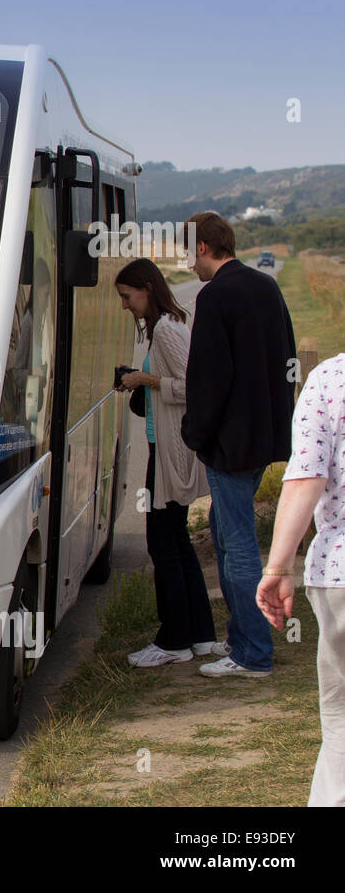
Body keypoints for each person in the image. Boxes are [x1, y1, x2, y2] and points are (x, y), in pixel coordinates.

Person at [180, 212, 297, 678]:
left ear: (204, 248)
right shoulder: (265, 286)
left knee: (240, 545)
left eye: (189, 252)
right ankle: (240, 636)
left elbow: (208, 378)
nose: (188, 263)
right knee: (225, 531)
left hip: (230, 442)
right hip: (264, 435)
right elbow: (287, 358)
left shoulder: (215, 297)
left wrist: (195, 432)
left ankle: (253, 653)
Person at [114, 258, 216, 667]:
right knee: (176, 542)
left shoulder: (167, 329)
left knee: (164, 544)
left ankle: (173, 640)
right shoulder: (167, 326)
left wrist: (145, 380)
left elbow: (196, 386)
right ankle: (201, 635)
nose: (125, 306)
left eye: (127, 296)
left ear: (147, 289)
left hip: (171, 453)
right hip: (167, 448)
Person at [258, 354, 345, 805]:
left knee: (341, 724)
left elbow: (306, 477)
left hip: (339, 576)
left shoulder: (330, 379)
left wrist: (278, 566)